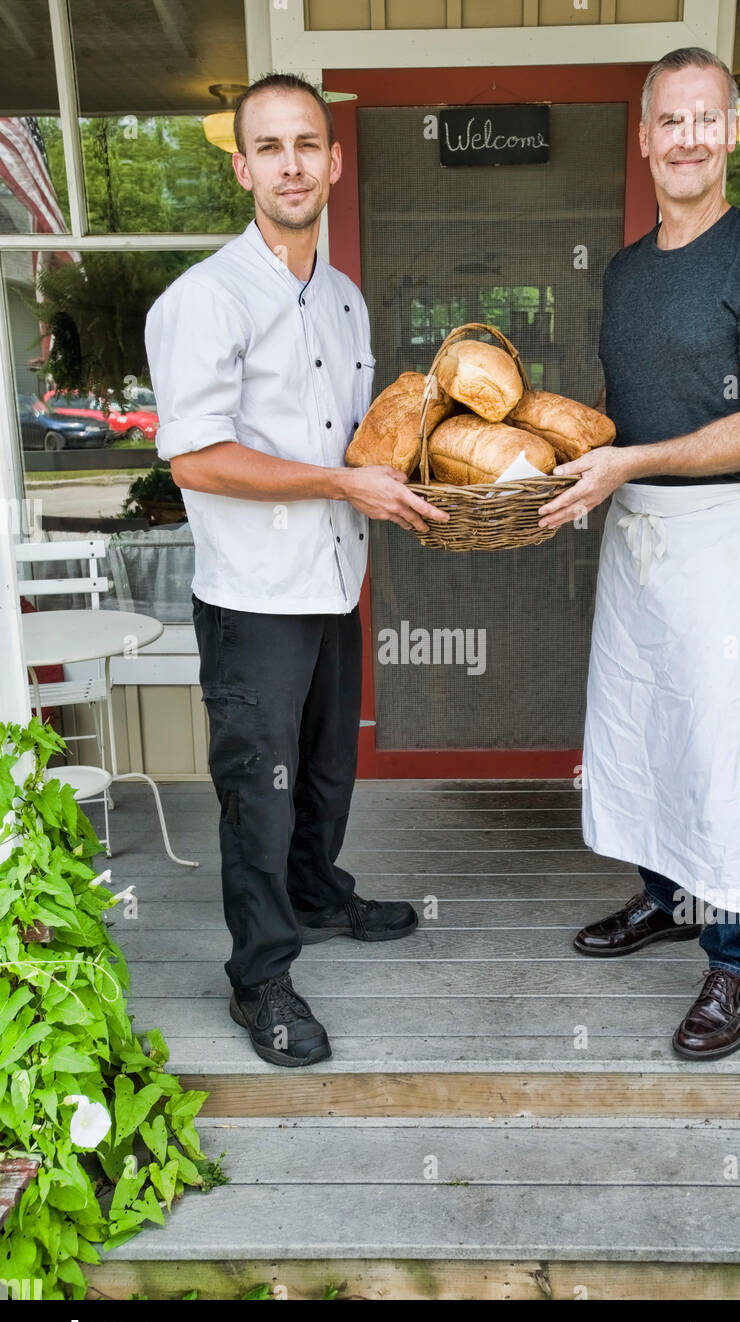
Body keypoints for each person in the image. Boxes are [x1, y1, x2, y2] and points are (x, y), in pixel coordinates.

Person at [144, 72, 448, 1069]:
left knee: (324, 766)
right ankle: (261, 975)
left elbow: (362, 443)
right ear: (242, 167)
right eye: (268, 146)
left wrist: (411, 479)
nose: (290, 163)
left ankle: (318, 894)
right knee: (259, 788)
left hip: (334, 583)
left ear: (333, 161)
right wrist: (341, 483)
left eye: (306, 144)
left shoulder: (347, 299)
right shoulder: (205, 300)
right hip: (252, 599)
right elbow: (196, 458)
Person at [538, 47, 740, 1060]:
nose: (690, 138)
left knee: (717, 741)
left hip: (719, 531)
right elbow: (623, 415)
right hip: (633, 524)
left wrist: (633, 460)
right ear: (645, 136)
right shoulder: (622, 269)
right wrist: (565, 472)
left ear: (729, 134)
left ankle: (736, 957)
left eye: (709, 119)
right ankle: (666, 896)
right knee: (640, 722)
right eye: (672, 120)